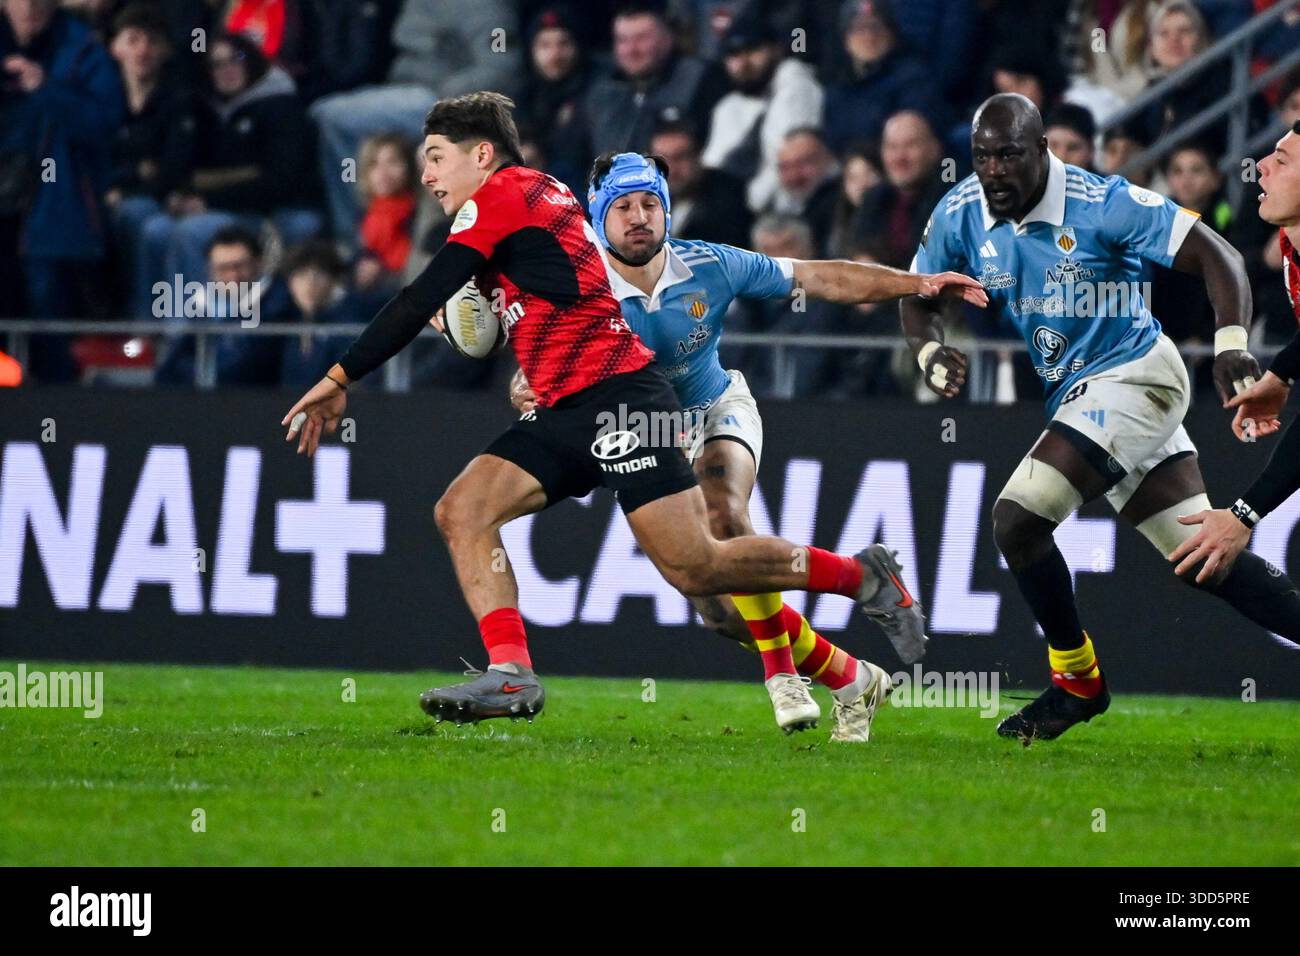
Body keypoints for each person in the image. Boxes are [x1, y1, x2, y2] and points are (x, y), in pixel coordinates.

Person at [279, 92, 936, 726]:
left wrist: (340, 376)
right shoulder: (532, 208)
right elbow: (521, 310)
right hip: (568, 408)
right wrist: (512, 353)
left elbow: (420, 296)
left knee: (699, 565)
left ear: (482, 155)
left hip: (621, 398)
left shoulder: (510, 194)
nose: (426, 175)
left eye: (435, 156)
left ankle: (859, 577)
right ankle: (511, 672)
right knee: (464, 510)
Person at [502, 151, 985, 737]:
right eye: (623, 207)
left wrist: (920, 282)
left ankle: (783, 680)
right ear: (599, 218)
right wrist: (528, 384)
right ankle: (852, 679)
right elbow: (533, 362)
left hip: (714, 411)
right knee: (716, 605)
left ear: (668, 210)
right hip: (644, 435)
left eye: (650, 204)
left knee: (725, 512)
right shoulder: (574, 285)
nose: (638, 218)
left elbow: (819, 276)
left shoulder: (710, 265)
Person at [902, 93, 1300, 743]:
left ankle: (1077, 681)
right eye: (981, 157)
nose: (993, 171)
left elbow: (1218, 254)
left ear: (1042, 152)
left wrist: (1231, 346)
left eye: (1008, 155)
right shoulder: (962, 209)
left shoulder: (1102, 201)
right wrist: (928, 349)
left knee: (1017, 518)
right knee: (1204, 560)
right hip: (1081, 397)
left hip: (1137, 376)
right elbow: (918, 294)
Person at [1171, 122, 1300, 582]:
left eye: (1281, 161)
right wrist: (1281, 375)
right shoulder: (1290, 243)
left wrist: (1243, 515)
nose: (1260, 167)